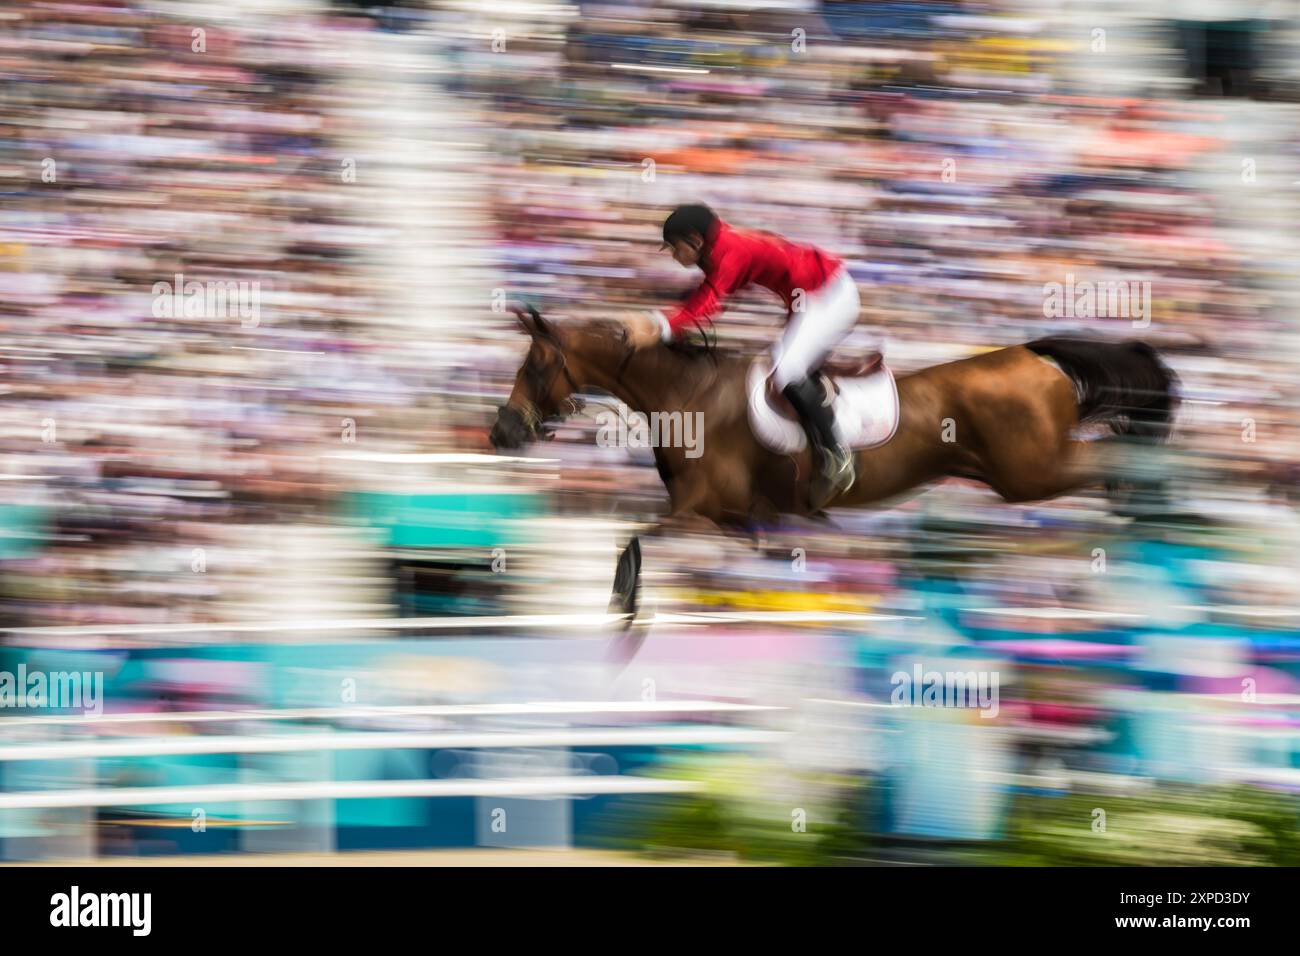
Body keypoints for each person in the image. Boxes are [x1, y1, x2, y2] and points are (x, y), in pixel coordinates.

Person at [629, 203, 861, 507]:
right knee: (777, 364)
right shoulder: (720, 247)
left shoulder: (730, 251)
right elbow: (707, 295)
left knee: (786, 371)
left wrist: (660, 326)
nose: (673, 255)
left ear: (696, 240)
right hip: (808, 297)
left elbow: (709, 303)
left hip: (829, 297)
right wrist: (666, 321)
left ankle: (839, 456)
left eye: (674, 248)